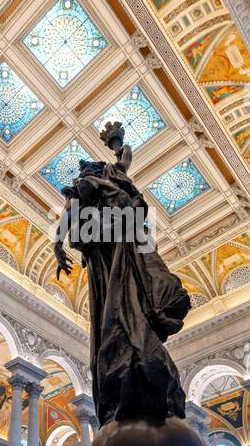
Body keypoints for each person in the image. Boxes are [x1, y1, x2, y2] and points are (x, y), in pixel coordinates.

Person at [54, 122, 191, 426]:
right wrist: (57, 246)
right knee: (113, 307)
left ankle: (136, 356)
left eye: (90, 166)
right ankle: (125, 361)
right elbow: (69, 212)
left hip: (124, 243)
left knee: (132, 298)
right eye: (87, 167)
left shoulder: (110, 175)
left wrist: (118, 142)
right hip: (103, 248)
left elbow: (125, 158)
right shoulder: (86, 184)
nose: (87, 168)